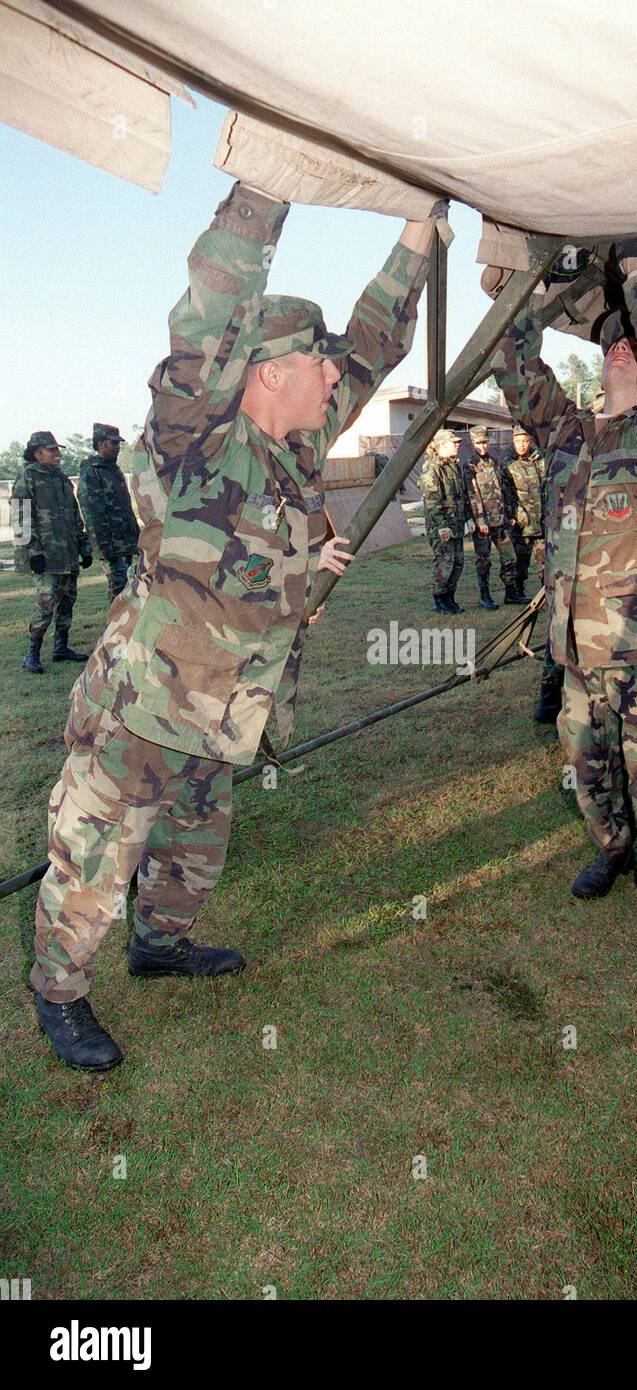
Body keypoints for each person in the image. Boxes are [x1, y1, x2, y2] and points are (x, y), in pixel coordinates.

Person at [30, 180, 434, 1070]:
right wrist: (265, 192)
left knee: (194, 841)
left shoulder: (294, 446)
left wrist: (417, 235)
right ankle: (59, 992)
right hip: (142, 706)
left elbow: (372, 344)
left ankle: (162, 944)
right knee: (99, 855)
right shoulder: (195, 441)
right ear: (268, 371)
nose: (336, 378)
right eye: (317, 365)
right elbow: (210, 316)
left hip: (225, 710)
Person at [492, 236, 637, 963]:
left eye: (633, 349)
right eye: (613, 343)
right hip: (578, 656)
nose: (621, 350)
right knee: (588, 774)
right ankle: (614, 851)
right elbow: (514, 369)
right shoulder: (569, 437)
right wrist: (539, 286)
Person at [12, 430, 93, 673]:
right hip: (44, 556)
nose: (57, 454)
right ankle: (32, 654)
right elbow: (20, 517)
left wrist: (84, 546)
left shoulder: (61, 479)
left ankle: (61, 648)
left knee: (67, 601)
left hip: (66, 554)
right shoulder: (27, 478)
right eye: (52, 450)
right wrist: (32, 551)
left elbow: (74, 515)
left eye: (58, 449)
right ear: (37, 454)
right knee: (46, 603)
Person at [77, 423, 140, 604]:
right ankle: (114, 629)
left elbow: (126, 508)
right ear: (101, 444)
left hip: (125, 541)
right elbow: (92, 514)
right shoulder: (92, 473)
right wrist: (103, 548)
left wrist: (136, 535)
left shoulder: (114, 470)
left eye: (118, 443)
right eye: (113, 443)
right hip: (111, 544)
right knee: (119, 591)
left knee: (129, 588)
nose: (118, 447)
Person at [461, 424, 520, 608]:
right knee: (484, 560)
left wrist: (509, 513)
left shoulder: (495, 461)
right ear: (472, 443)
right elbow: (472, 495)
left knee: (510, 557)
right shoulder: (469, 465)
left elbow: (503, 490)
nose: (482, 446)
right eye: (478, 443)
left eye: (485, 442)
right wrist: (480, 520)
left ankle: (510, 593)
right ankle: (484, 596)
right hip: (484, 524)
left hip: (500, 520)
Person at [418, 428, 468, 613]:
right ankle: (440, 600)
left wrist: (466, 520)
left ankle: (450, 598)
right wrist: (442, 526)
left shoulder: (452, 466)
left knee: (458, 563)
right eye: (453, 443)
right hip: (442, 527)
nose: (457, 445)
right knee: (444, 563)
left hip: (456, 524)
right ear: (440, 445)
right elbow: (433, 501)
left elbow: (461, 496)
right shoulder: (432, 470)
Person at [500, 424, 545, 599]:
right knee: (520, 558)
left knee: (543, 559)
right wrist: (518, 515)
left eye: (525, 441)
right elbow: (506, 493)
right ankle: (516, 591)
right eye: (518, 441)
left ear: (530, 441)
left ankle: (545, 592)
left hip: (541, 519)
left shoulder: (540, 459)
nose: (522, 445)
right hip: (521, 521)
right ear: (513, 441)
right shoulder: (507, 464)